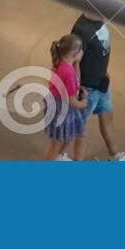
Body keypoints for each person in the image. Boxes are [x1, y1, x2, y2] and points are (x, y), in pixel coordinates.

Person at [69, 12, 125, 161]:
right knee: (80, 130)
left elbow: (99, 52)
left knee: (107, 118)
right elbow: (74, 62)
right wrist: (77, 89)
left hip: (102, 84)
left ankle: (115, 156)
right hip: (87, 89)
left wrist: (103, 71)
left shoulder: (100, 22)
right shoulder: (81, 30)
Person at [43, 33, 89, 161]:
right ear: (73, 53)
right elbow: (72, 102)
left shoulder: (60, 63)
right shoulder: (67, 72)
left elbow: (76, 80)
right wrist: (84, 102)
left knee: (64, 138)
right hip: (62, 108)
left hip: (56, 104)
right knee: (56, 143)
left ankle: (58, 158)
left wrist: (77, 63)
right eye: (80, 50)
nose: (82, 52)